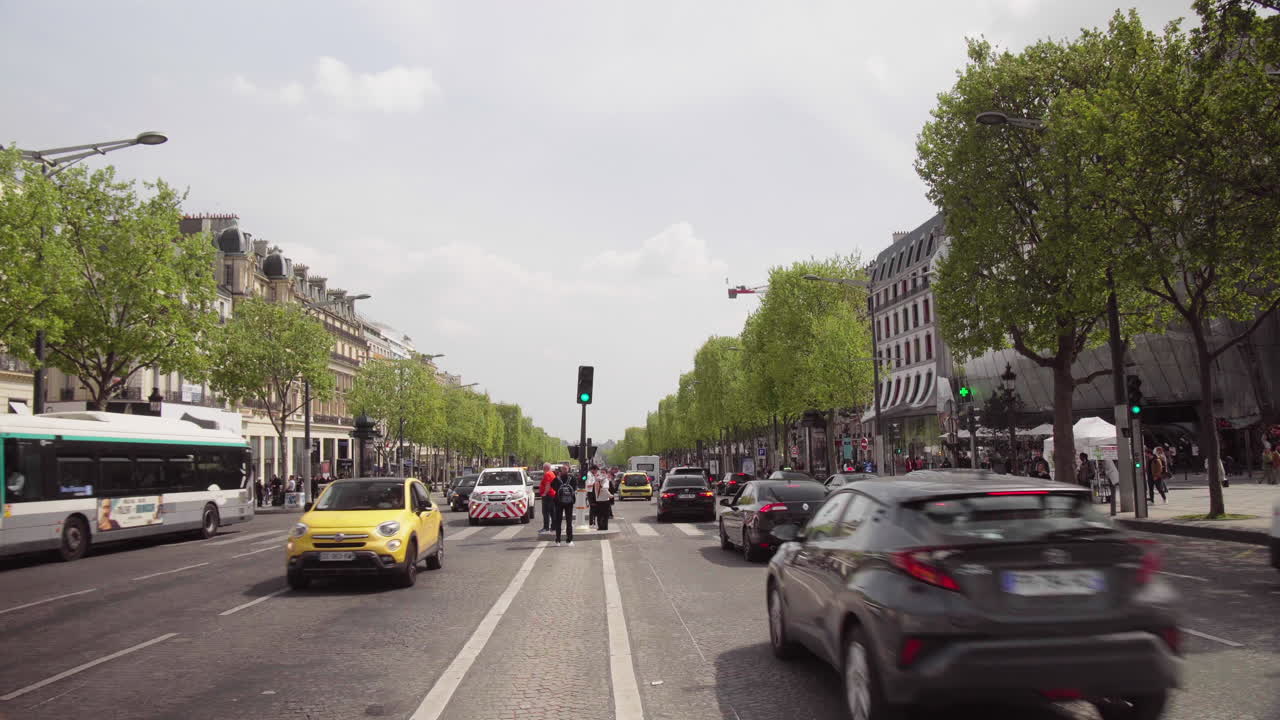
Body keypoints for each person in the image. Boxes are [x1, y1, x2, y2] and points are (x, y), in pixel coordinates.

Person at [552, 467, 577, 546]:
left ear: (561, 470)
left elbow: (552, 485)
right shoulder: (572, 478)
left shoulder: (557, 478)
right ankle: (569, 540)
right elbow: (575, 487)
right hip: (569, 502)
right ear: (568, 470)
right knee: (569, 521)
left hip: (558, 502)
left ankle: (558, 540)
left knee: (558, 521)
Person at [538, 463, 557, 533]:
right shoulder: (552, 473)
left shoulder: (547, 474)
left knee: (545, 512)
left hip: (548, 495)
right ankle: (553, 527)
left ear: (545, 468)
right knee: (552, 512)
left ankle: (546, 527)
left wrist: (544, 493)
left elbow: (548, 484)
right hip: (552, 495)